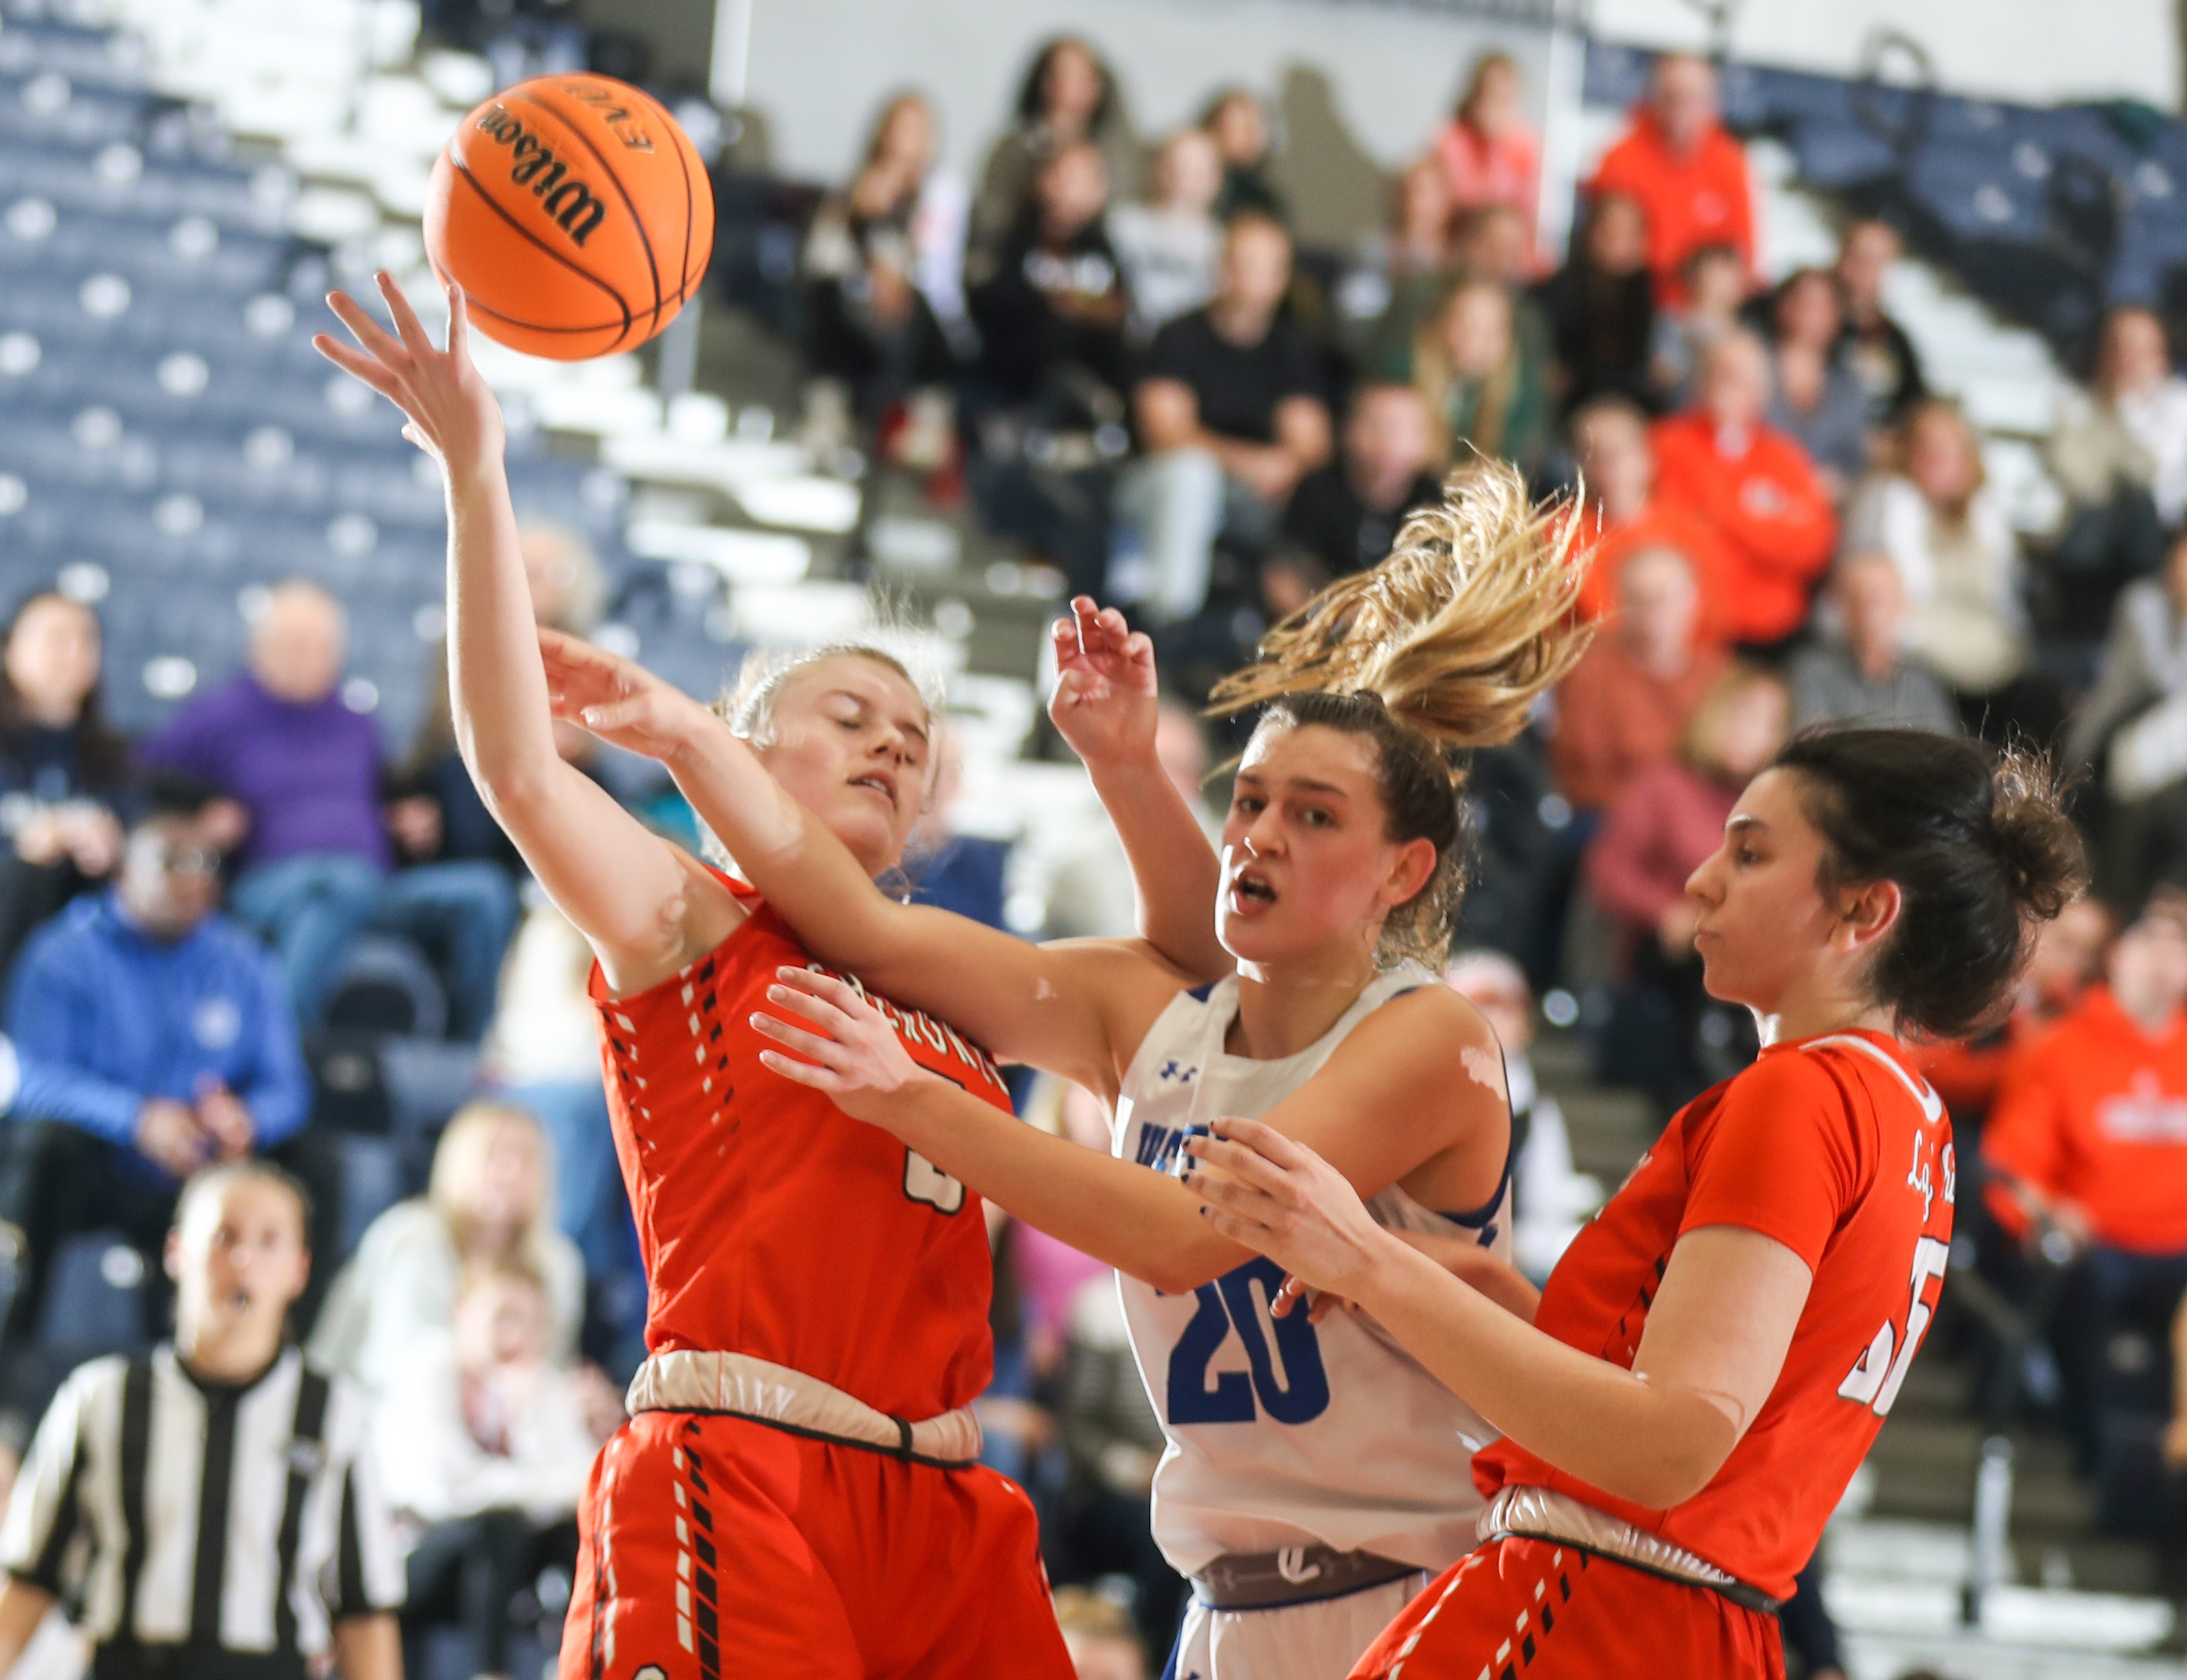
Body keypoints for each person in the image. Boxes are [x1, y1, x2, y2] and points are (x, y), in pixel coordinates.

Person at [540, 470, 1584, 1680]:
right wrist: (1128, 763)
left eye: (1310, 815)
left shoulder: (1429, 1037)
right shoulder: (1162, 1014)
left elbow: (1186, 1233)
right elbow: (870, 933)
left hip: (1412, 1584)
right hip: (1222, 1610)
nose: (1255, 834)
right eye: (1246, 801)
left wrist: (918, 1101)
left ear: (1401, 871)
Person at [315, 270, 1079, 1677]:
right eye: (847, 713)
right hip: (746, 1453)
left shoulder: (952, 978)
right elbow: (514, 764)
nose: (888, 746)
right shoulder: (695, 916)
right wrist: (479, 479)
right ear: (738, 740)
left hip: (949, 1508)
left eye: (910, 741)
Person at [1185, 726, 2084, 1679]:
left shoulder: (1796, 1093)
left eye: (1749, 851)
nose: (1700, 878)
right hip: (1696, 1620)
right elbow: (1709, 1405)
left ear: (1863, 910)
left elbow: (1671, 1442)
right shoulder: (1915, 1121)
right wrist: (1479, 1285)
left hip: (1588, 1602)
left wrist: (1369, 1260)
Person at [0, 1162, 406, 1680]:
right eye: (223, 1235)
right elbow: (31, 1582)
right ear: (177, 1252)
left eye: (268, 1241)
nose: (242, 1260)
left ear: (299, 1269)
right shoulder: (101, 1397)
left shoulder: (334, 1412)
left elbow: (363, 1614)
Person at [0, 774, 314, 1357]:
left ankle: (278, 1358)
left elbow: (287, 1087)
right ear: (123, 873)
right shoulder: (63, 953)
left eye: (204, 863)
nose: (191, 878)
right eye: (170, 861)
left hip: (204, 1165)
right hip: (101, 1163)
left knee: (311, 1165)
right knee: (43, 1149)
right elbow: (29, 1077)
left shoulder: (243, 961)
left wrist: (246, 1118)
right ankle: (12, 1355)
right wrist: (136, 1118)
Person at [142, 581, 518, 1039]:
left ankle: (469, 1048)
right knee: (336, 884)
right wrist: (199, 819)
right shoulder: (221, 714)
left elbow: (374, 794)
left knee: (486, 892)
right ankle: (273, 1041)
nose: (307, 657)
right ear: (259, 648)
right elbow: (144, 778)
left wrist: (398, 822)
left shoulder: (355, 721)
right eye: (293, 644)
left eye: (319, 646)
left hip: (369, 886)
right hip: (271, 887)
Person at [1985, 897, 2187, 1474]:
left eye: (2179, 947)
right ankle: (2093, 1457)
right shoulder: (2058, 1044)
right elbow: (2010, 1166)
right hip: (2096, 1245)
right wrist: (2047, 1213)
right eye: (2152, 943)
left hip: (2178, 1250)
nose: (2164, 961)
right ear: (2116, 957)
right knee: (2079, 1285)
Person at [379, 1263, 601, 1680]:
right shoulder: (426, 1370)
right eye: (503, 1316)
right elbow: (447, 1491)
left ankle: (583, 1662)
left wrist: (529, 1419)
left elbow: (587, 1484)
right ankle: (491, 1673)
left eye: (533, 1324)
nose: (516, 1337)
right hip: (417, 1552)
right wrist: (537, 1485)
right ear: (460, 1311)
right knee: (497, 1528)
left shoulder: (539, 1383)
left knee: (575, 1533)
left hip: (504, 1556)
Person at [1586, 666, 1788, 1113]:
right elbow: (1607, 871)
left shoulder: (1779, 807)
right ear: (1712, 716)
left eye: (1766, 723)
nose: (1748, 733)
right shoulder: (1664, 785)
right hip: (1669, 961)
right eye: (1741, 716)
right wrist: (1663, 912)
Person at [1117, 214, 1331, 623]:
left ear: (1282, 278)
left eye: (1263, 266)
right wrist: (1252, 463)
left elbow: (1310, 445)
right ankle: (1169, 624)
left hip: (1257, 501)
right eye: (1239, 262)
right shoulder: (1178, 336)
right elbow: (1165, 434)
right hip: (1157, 488)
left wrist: (1283, 468)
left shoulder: (1292, 350)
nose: (1248, 277)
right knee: (1191, 475)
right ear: (1219, 266)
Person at [310, 1100, 588, 1406]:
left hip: (515, 1423)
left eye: (526, 1157)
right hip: (386, 1411)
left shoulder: (559, 1262)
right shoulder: (409, 1240)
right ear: (458, 1160)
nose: (510, 1170)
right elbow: (398, 1368)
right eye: (494, 1152)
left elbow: (553, 1367)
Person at [406, 522, 606, 877]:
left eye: (552, 576)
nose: (539, 585)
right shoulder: (465, 640)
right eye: (527, 572)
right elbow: (441, 731)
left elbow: (589, 742)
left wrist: (570, 742)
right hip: (475, 791)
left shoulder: (582, 654)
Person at [1651, 330, 1839, 650]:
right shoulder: (1665, 444)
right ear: (1701, 381)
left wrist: (1722, 514)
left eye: (1739, 377)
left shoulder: (1785, 457)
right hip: (1687, 626)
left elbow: (1813, 547)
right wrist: (1760, 524)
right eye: (1719, 372)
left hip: (1770, 631)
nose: (1728, 385)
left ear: (1763, 391)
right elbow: (1667, 532)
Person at [1843, 399, 2027, 704]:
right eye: (1927, 448)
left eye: (1948, 448)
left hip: (1981, 651)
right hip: (1901, 652)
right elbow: (1863, 593)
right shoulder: (1881, 499)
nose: (1937, 458)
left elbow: (2000, 604)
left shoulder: (1987, 515)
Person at [1445, 950, 1597, 1281]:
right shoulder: (1427, 1097)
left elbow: (1548, 1203)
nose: (1492, 1021)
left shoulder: (1535, 1110)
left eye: (1504, 1008)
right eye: (1478, 1006)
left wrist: (1519, 1248)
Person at [0, 592, 129, 981]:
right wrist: (26, 847)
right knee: (25, 875)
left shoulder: (114, 759)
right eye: (56, 638)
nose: (72, 653)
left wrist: (112, 848)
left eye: (86, 640)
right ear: (10, 648)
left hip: (82, 924)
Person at [967, 140, 1131, 438]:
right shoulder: (1019, 238)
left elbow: (1118, 312)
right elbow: (997, 304)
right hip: (1017, 380)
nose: (1072, 189)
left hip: (1090, 376)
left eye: (1085, 180)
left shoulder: (1101, 247)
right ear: (1043, 181)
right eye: (1065, 177)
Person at [1551, 543, 1729, 816]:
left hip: (1706, 821)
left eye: (1667, 596)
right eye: (1639, 598)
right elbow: (1581, 773)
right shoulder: (1592, 673)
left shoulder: (1718, 674)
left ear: (1694, 599)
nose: (1655, 611)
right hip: (1611, 817)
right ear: (1620, 604)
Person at [2048, 305, 2187, 628]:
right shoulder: (2074, 406)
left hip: (2159, 546)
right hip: (2089, 545)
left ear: (2162, 358)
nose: (2128, 361)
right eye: (2119, 348)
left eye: (2140, 351)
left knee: (2137, 505)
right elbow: (2076, 480)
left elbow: (2158, 477)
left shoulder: (2180, 406)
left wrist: (2126, 409)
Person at [1589, 53, 1756, 304]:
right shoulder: (1620, 158)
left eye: (1691, 99)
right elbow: (1603, 247)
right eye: (1671, 96)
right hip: (1629, 302)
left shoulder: (1732, 164)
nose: (1680, 109)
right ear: (1652, 98)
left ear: (1712, 104)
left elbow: (1743, 257)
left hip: (1699, 308)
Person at [1566, 394, 1733, 631]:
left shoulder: (1691, 531)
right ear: (1579, 466)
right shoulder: (1562, 535)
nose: (1611, 465)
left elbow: (1712, 617)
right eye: (1595, 454)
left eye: (1621, 451)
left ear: (1647, 456)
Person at [1271, 381, 1442, 613]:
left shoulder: (1435, 501)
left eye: (1405, 429)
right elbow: (1285, 575)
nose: (1389, 440)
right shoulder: (1318, 491)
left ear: (1428, 440)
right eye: (1377, 425)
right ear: (1348, 430)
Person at [974, 38, 1138, 268]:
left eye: (1080, 78)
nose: (1067, 87)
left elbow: (1125, 219)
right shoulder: (1013, 148)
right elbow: (991, 216)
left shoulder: (1116, 153)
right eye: (1058, 76)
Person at [1785, 554, 1962, 735]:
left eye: (1881, 599)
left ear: (1902, 605)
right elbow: (1813, 744)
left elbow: (1943, 750)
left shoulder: (1923, 681)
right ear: (1841, 606)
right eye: (1859, 598)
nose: (1870, 611)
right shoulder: (1812, 671)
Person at [1402, 277, 1549, 481]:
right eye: (1469, 325)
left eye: (1497, 329)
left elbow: (1514, 463)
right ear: (1440, 325)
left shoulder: (1519, 390)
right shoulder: (1403, 376)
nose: (1483, 340)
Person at [1532, 190, 1656, 419]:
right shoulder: (1558, 290)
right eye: (1609, 229)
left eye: (1628, 232)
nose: (1616, 240)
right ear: (1590, 231)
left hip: (1633, 413)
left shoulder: (1652, 294)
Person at [1108, 128, 1225, 342]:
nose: (1184, 178)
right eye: (1177, 165)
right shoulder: (1120, 225)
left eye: (1196, 170)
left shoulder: (1222, 243)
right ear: (1158, 166)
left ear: (1216, 179)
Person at [1765, 267, 1871, 500]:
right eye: (1801, 300)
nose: (1809, 311)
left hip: (1815, 507)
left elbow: (1852, 462)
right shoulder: (1751, 363)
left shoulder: (1848, 389)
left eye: (1821, 305)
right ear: (1782, 305)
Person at [1431, 53, 1540, 257]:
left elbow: (1526, 210)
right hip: (1458, 244)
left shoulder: (1526, 145)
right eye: (1489, 92)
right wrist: (1491, 146)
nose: (1494, 100)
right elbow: (1462, 199)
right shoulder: (1452, 139)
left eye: (1501, 95)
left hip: (1508, 251)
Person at [1833, 218, 1927, 426]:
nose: (1855, 270)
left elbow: (1916, 409)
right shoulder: (1800, 321)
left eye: (1869, 261)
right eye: (1852, 256)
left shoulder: (1896, 343)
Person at [1203, 89, 1285, 223]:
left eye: (1254, 129)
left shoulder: (1263, 201)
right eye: (1238, 128)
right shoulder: (1192, 186)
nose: (1250, 138)